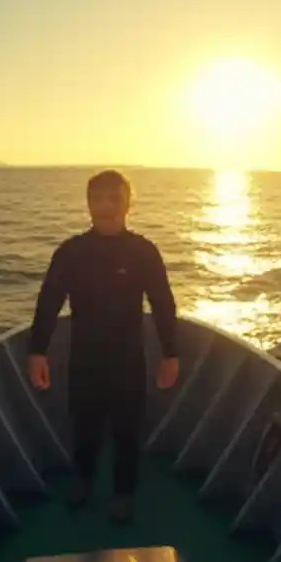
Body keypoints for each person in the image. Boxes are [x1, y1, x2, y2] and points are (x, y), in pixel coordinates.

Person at [26, 169, 180, 523]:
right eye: (97, 199)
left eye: (114, 198)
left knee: (128, 430)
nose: (105, 206)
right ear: (88, 204)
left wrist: (170, 353)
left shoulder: (143, 251)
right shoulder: (71, 252)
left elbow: (163, 304)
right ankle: (83, 480)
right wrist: (37, 351)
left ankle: (123, 493)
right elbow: (48, 303)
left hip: (128, 360)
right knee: (85, 425)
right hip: (84, 359)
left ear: (128, 204)